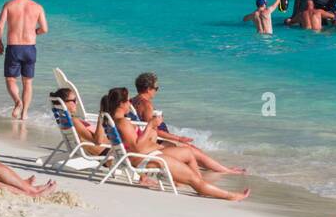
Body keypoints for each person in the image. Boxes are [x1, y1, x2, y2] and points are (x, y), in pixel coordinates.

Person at [100, 87, 248, 201]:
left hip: (145, 155)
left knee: (188, 153)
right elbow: (137, 147)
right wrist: (150, 125)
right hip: (143, 159)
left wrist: (151, 131)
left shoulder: (114, 119)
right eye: (127, 101)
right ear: (121, 104)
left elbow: (134, 146)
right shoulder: (123, 122)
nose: (129, 103)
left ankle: (202, 186)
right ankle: (228, 195)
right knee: (192, 179)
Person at [130, 73, 245, 172]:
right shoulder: (146, 105)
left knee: (192, 149)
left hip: (141, 140)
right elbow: (154, 131)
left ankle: (217, 168)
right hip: (151, 143)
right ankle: (226, 170)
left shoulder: (132, 101)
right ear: (148, 89)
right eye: (156, 88)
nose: (156, 91)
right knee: (192, 150)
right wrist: (178, 138)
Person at [0, 0, 48, 119]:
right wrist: (34, 32)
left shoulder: (9, 5)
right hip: (30, 48)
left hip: (14, 47)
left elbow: (0, 25)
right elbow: (44, 29)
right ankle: (24, 114)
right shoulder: (38, 7)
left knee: (11, 79)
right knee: (28, 82)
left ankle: (18, 102)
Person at [51, 86, 108, 156]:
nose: (77, 103)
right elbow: (98, 141)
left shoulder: (65, 121)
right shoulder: (73, 121)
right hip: (107, 153)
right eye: (74, 100)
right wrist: (101, 118)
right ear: (64, 103)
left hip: (106, 149)